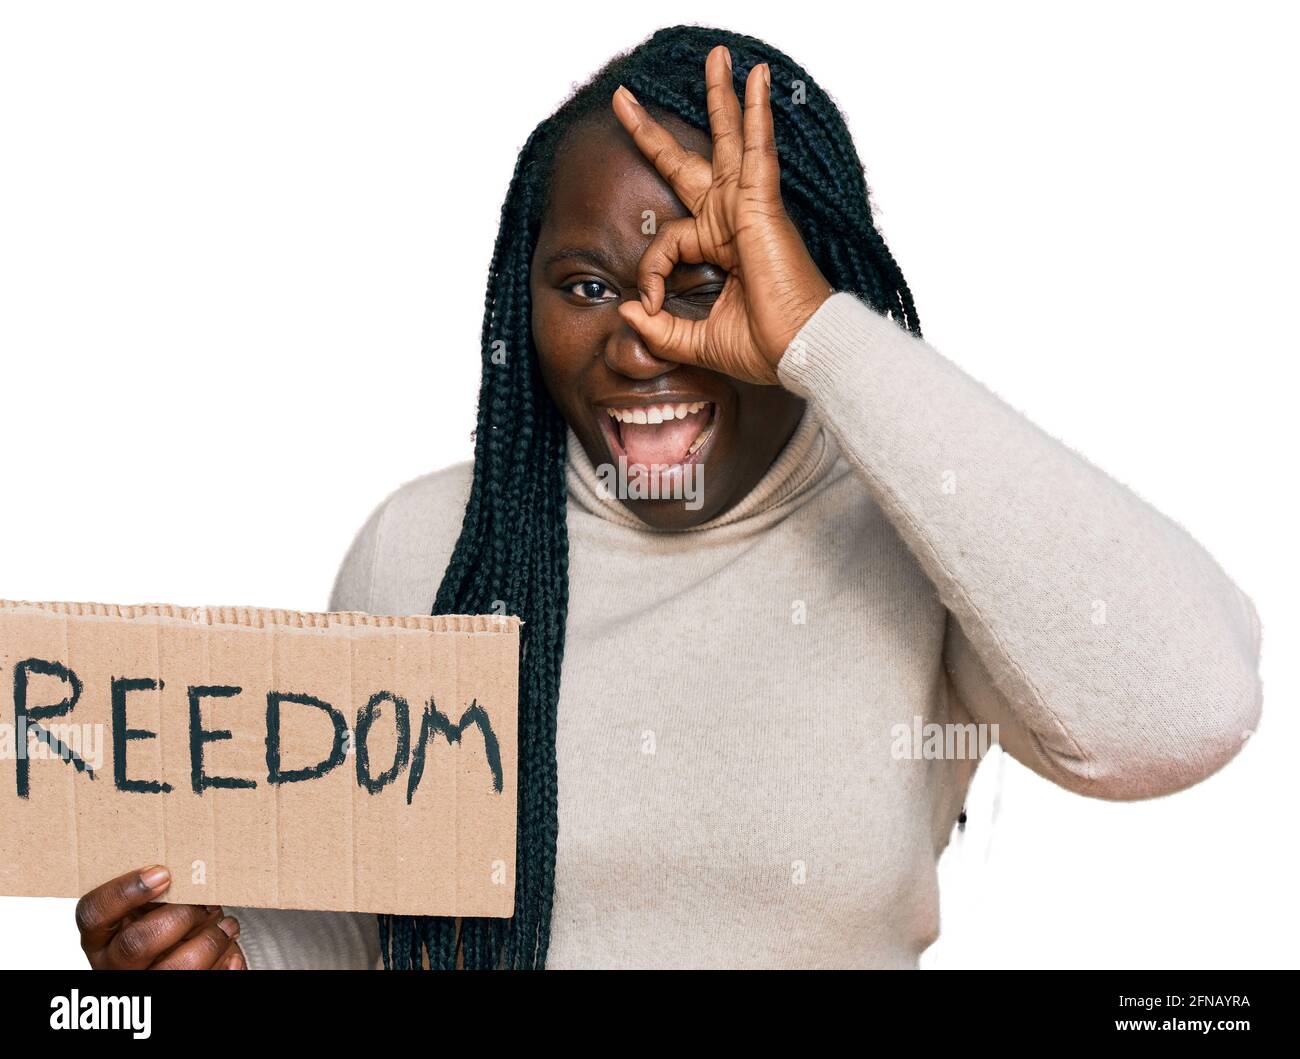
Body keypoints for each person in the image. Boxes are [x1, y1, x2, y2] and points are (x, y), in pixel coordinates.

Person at [74, 25, 1262, 971]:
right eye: (584, 284)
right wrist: (214, 964)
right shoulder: (430, 547)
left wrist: (817, 341)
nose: (641, 343)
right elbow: (364, 947)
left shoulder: (923, 538)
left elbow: (1183, 713)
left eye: (709, 282)